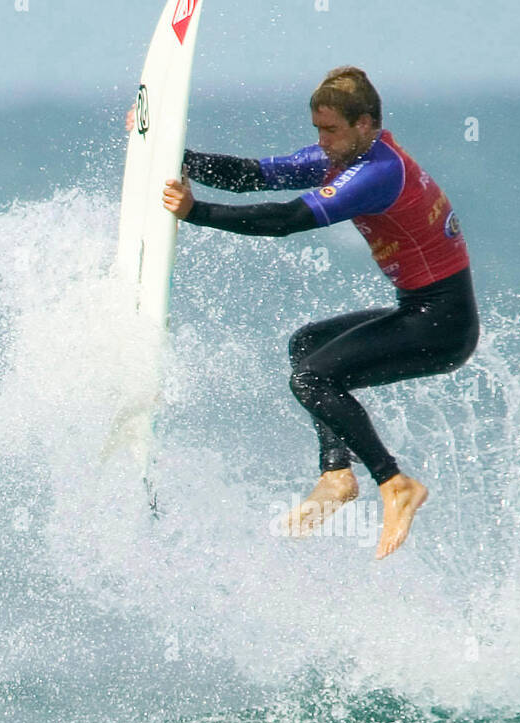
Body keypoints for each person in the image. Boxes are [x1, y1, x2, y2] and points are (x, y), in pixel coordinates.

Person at [132, 67, 479, 558]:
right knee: (306, 347)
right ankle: (337, 474)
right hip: (422, 311)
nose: (322, 141)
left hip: (442, 327)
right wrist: (172, 156)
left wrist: (196, 212)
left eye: (331, 130)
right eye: (318, 129)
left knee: (313, 379)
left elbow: (285, 220)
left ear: (365, 124)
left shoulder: (379, 173)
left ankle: (395, 483)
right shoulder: (346, 157)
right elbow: (252, 175)